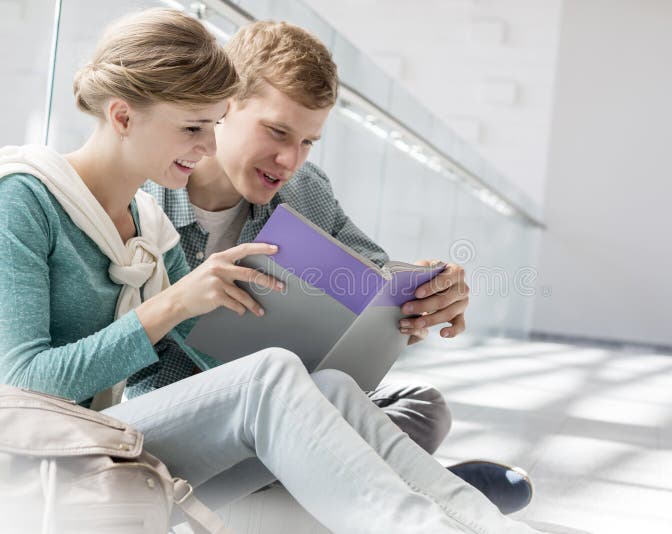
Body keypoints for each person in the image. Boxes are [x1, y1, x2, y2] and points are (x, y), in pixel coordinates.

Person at [0, 9, 541, 533]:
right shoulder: (28, 200)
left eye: (307, 142)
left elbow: (355, 284)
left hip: (166, 435)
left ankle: (473, 519)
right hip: (52, 453)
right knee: (274, 379)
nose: (207, 146)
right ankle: (388, 503)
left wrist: (412, 303)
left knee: (327, 387)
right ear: (123, 116)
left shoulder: (148, 223)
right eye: (196, 126)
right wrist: (177, 303)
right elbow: (22, 387)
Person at [134, 19, 532, 514]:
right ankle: (420, 492)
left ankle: (338, 484)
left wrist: (426, 295)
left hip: (294, 408)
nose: (288, 159)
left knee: (423, 405)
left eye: (307, 142)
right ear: (225, 105)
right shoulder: (141, 197)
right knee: (304, 403)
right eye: (277, 132)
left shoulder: (303, 192)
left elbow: (372, 280)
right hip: (183, 427)